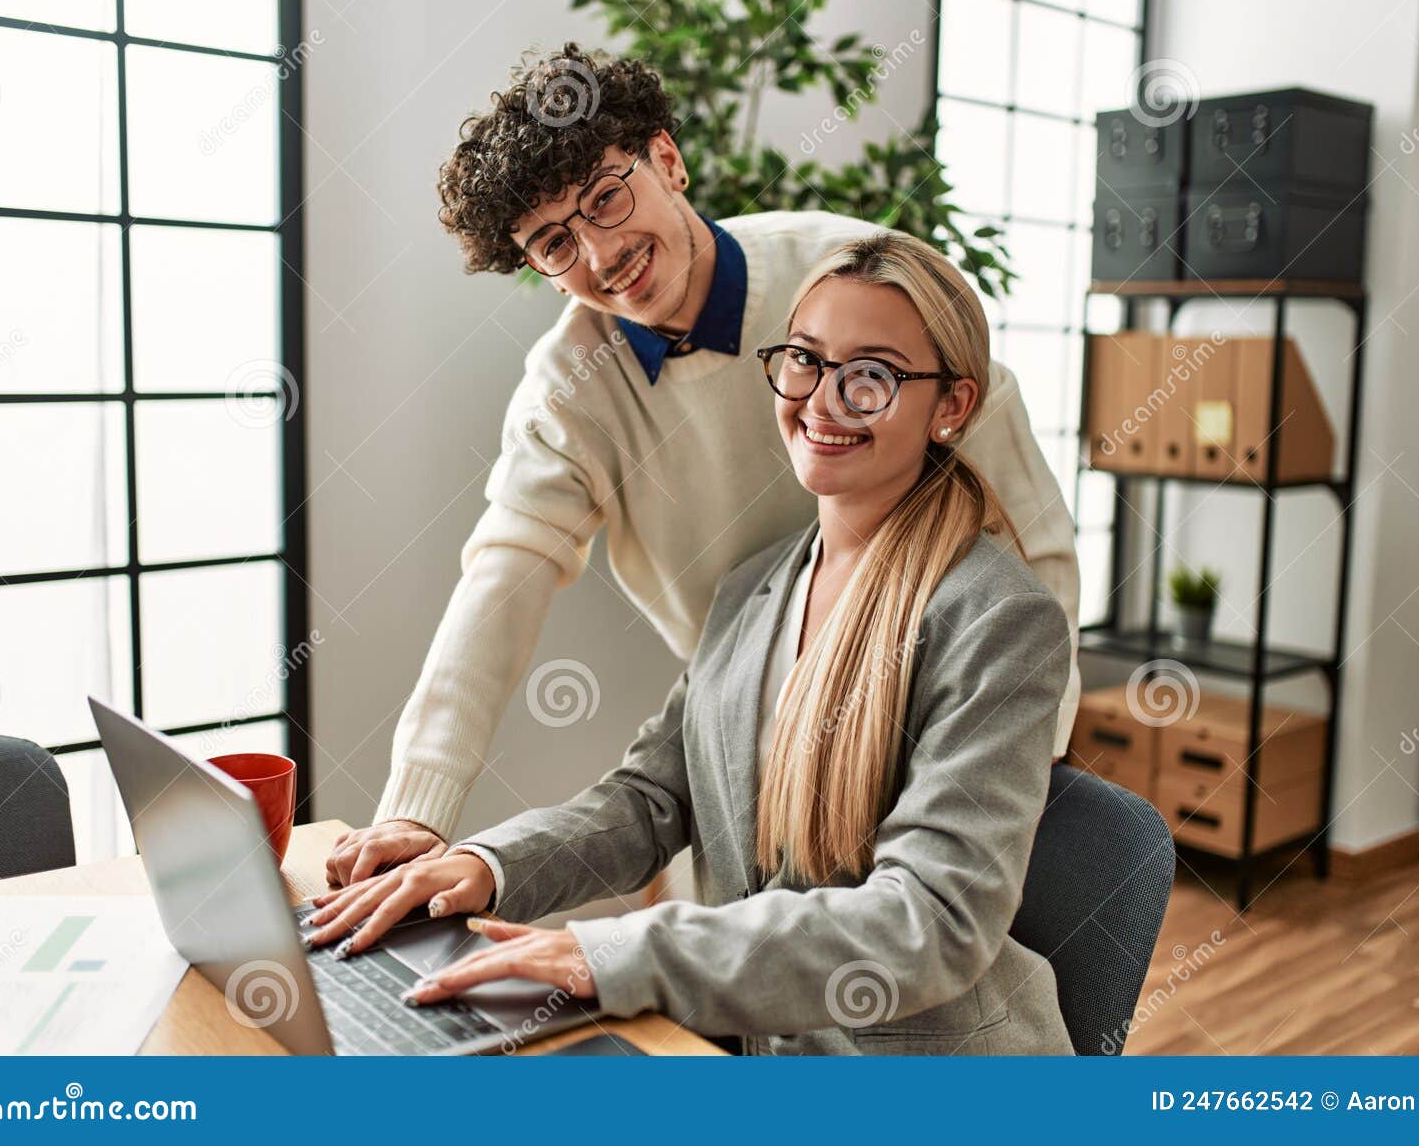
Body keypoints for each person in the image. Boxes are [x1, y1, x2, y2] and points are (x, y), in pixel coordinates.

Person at [324, 42, 1080, 887]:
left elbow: (1033, 536)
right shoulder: (569, 392)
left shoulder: (848, 282)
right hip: (741, 741)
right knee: (724, 983)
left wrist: (1034, 765)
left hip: (930, 722)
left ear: (668, 161)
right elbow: (503, 576)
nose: (601, 256)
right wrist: (414, 809)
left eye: (607, 198)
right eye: (553, 245)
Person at [304, 231, 1074, 1056]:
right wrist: (488, 866)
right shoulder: (755, 589)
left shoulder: (999, 618)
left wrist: (615, 951)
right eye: (806, 360)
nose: (822, 401)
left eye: (873, 376)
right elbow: (649, 799)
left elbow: (932, 920)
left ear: (952, 406)